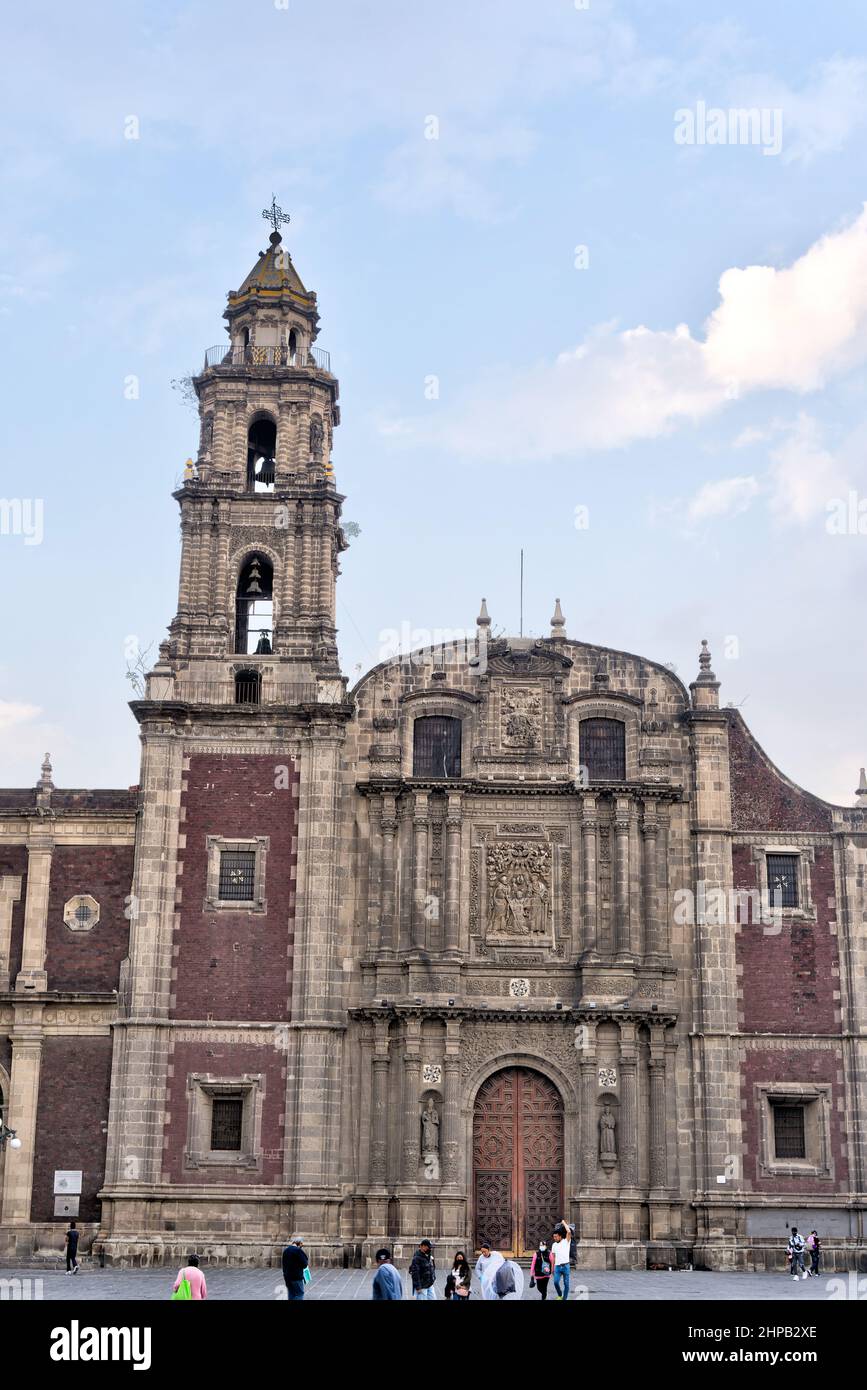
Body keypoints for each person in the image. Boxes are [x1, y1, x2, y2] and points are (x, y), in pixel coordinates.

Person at [552, 1229, 571, 1300]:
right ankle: (560, 1294)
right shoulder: (554, 1245)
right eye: (554, 1237)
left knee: (566, 1284)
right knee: (555, 1282)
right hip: (557, 1267)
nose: (555, 1238)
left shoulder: (566, 1241)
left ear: (560, 1236)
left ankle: (564, 1299)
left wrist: (563, 1222)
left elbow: (568, 1232)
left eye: (556, 1237)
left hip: (566, 1266)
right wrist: (552, 1268)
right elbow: (553, 1257)